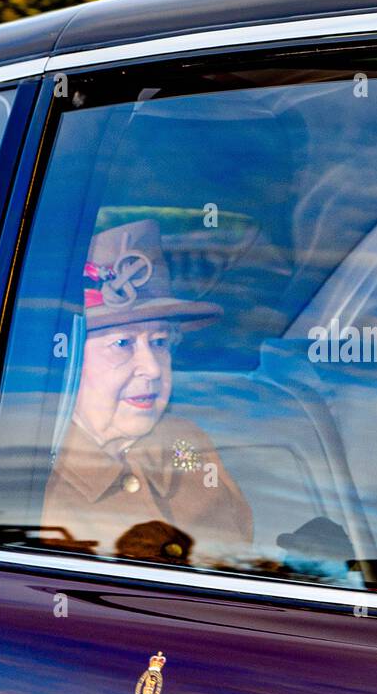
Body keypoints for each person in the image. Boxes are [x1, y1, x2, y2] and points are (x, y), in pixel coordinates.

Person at [42, 220, 253, 565]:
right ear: (69, 358)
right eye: (123, 343)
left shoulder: (189, 442)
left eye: (159, 342)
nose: (152, 368)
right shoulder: (31, 475)